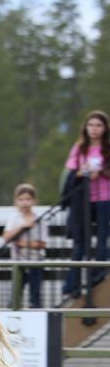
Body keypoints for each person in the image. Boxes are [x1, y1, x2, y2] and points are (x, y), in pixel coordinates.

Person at [62, 110, 110, 296]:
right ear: (86, 127)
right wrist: (83, 172)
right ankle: (72, 284)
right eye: (91, 125)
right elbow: (72, 173)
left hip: (105, 198)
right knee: (80, 243)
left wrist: (102, 172)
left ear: (105, 128)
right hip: (83, 201)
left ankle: (96, 276)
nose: (94, 129)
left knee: (102, 239)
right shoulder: (79, 148)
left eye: (98, 125)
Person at [2, 183, 47, 308]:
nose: (25, 203)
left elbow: (42, 243)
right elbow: (6, 237)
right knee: (16, 292)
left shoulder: (40, 220)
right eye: (21, 199)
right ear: (16, 201)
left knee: (35, 293)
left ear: (34, 201)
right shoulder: (14, 218)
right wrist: (22, 227)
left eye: (28, 199)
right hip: (18, 261)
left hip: (36, 261)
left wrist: (21, 243)